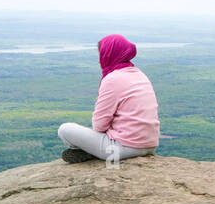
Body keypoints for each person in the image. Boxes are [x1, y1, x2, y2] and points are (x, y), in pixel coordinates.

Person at [58, 34, 159, 163]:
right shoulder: (140, 74)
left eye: (102, 55)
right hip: (150, 145)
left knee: (65, 129)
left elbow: (99, 125)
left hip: (122, 148)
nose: (100, 61)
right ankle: (93, 152)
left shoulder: (112, 79)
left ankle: (92, 152)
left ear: (109, 54)